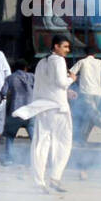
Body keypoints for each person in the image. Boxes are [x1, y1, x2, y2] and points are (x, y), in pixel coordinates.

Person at [14, 35, 76, 192]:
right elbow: (61, 83)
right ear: (56, 46)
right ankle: (55, 177)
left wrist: (65, 92)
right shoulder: (59, 61)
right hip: (59, 109)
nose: (67, 50)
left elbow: (44, 86)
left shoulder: (42, 62)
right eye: (65, 47)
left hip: (43, 107)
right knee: (63, 142)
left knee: (41, 143)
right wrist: (72, 79)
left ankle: (39, 182)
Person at [70, 49, 101, 144]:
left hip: (86, 92)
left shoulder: (82, 62)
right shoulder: (99, 62)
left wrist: (74, 81)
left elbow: (72, 72)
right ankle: (82, 138)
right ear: (94, 54)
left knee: (93, 115)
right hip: (98, 92)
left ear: (85, 54)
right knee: (89, 115)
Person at [0, 59, 35, 166]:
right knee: (34, 137)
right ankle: (37, 160)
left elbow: (3, 92)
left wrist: (3, 97)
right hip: (30, 111)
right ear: (26, 68)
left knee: (10, 136)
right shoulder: (33, 77)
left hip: (16, 111)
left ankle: (9, 160)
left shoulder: (10, 78)